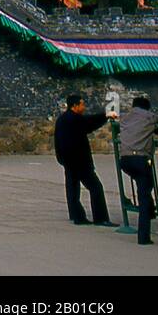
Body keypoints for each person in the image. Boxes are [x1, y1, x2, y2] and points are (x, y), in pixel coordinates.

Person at [53, 93, 112, 226]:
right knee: (96, 187)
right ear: (75, 106)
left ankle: (76, 215)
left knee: (72, 188)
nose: (84, 107)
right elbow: (90, 123)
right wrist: (106, 115)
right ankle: (100, 217)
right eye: (82, 104)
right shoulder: (75, 119)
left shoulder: (62, 119)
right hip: (79, 161)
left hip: (67, 160)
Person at [116, 96, 158, 246]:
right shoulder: (150, 117)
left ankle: (150, 208)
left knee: (145, 186)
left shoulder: (124, 118)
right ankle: (144, 236)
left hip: (125, 160)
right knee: (144, 192)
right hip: (141, 160)